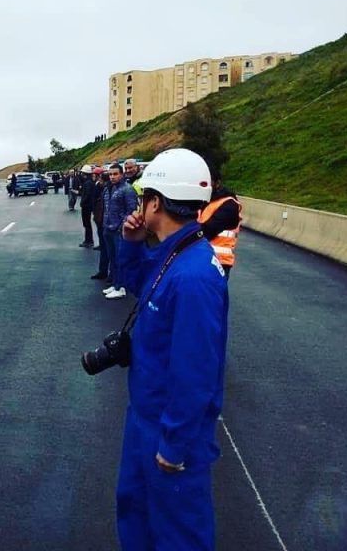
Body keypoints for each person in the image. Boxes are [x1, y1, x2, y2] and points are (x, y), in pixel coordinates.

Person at [116, 148, 228, 551]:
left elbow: (196, 371)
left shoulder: (193, 275)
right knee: (136, 515)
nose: (139, 205)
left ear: (156, 203)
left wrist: (175, 443)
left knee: (178, 536)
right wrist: (131, 243)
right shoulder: (174, 254)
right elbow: (138, 284)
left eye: (144, 197)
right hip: (146, 418)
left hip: (169, 431)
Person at [102, 163, 138, 300]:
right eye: (110, 174)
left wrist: (121, 226)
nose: (112, 177)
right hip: (108, 227)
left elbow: (131, 210)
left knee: (120, 259)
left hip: (119, 230)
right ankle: (115, 283)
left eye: (115, 174)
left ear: (121, 174)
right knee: (112, 258)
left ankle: (121, 287)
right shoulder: (109, 188)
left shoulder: (127, 189)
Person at [198, 172, 242, 279]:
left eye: (209, 182)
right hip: (203, 257)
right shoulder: (206, 202)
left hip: (219, 262)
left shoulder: (229, 205)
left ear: (217, 183)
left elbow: (208, 231)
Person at [91, 168, 111, 279]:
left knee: (109, 250)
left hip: (108, 224)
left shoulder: (108, 190)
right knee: (104, 249)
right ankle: (103, 271)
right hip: (101, 221)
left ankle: (111, 275)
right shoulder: (102, 188)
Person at [78, 165, 95, 247]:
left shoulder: (87, 183)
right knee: (87, 224)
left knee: (86, 224)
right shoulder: (89, 182)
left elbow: (87, 195)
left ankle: (88, 241)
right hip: (88, 205)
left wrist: (82, 202)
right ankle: (88, 240)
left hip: (86, 206)